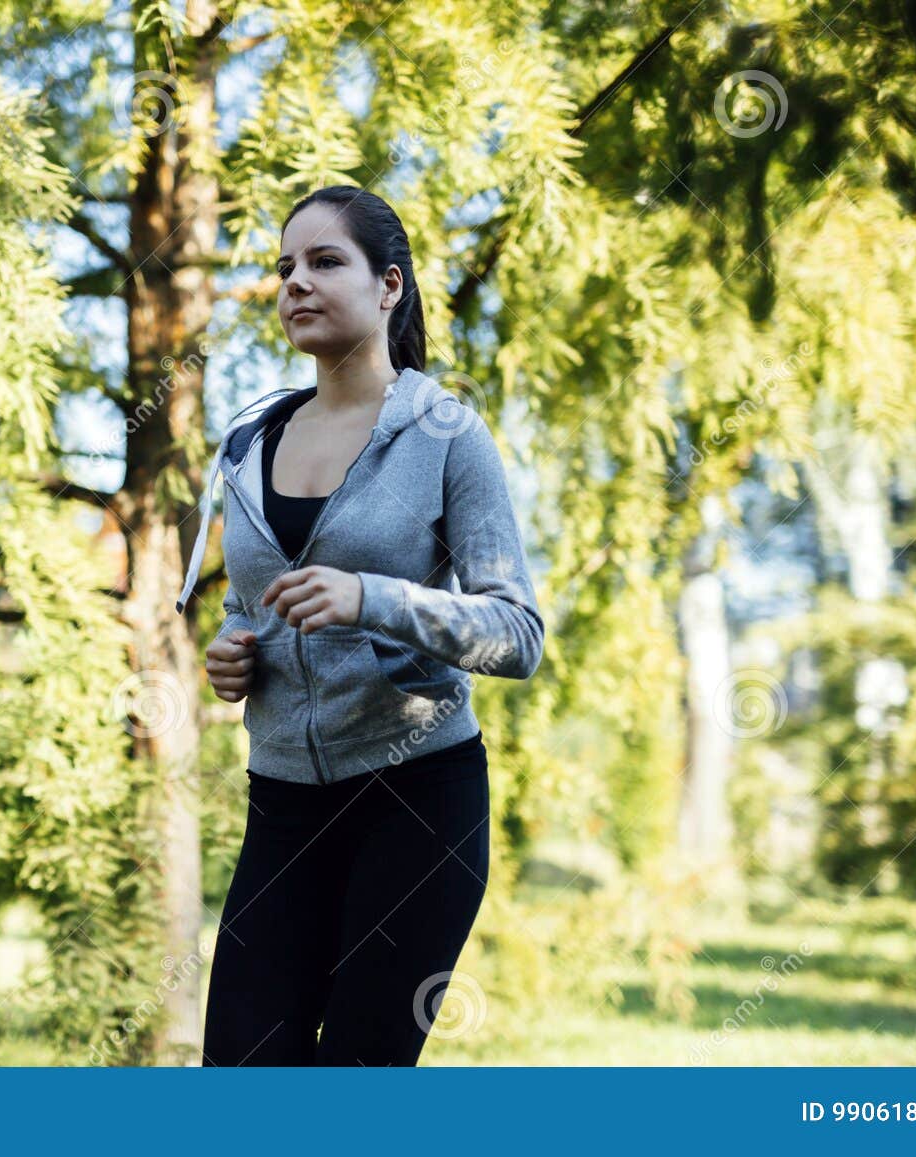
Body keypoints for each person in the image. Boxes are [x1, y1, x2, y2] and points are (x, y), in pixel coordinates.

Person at [173, 184, 544, 1066]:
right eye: (284, 267)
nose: (296, 282)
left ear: (389, 288)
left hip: (415, 802)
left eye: (325, 261)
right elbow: (247, 603)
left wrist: (371, 597)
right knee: (242, 1064)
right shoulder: (251, 442)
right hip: (284, 802)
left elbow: (517, 632)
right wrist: (236, 655)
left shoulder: (447, 432)